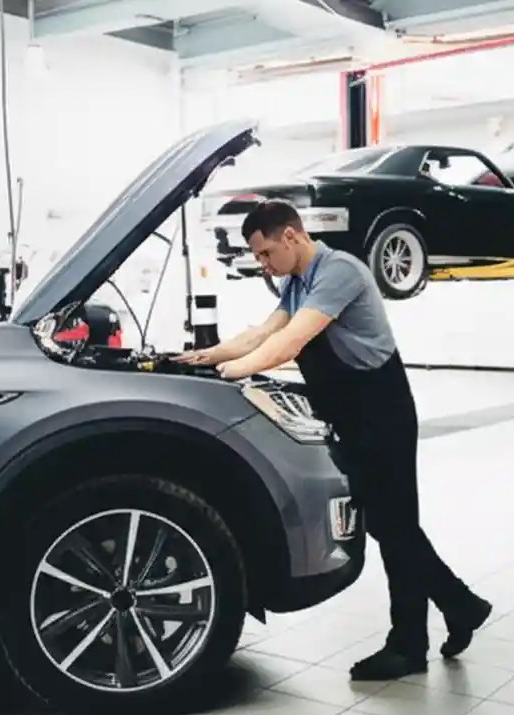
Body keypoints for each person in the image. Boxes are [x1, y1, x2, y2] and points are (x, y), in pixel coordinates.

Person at [175, 200, 492, 681]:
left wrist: (234, 372)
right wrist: (202, 358)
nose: (263, 265)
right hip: (353, 416)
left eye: (264, 254)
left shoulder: (339, 272)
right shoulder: (297, 282)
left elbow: (291, 341)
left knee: (396, 529)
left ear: (291, 237)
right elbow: (263, 332)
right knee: (390, 526)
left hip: (382, 413)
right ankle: (460, 604)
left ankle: (409, 644)